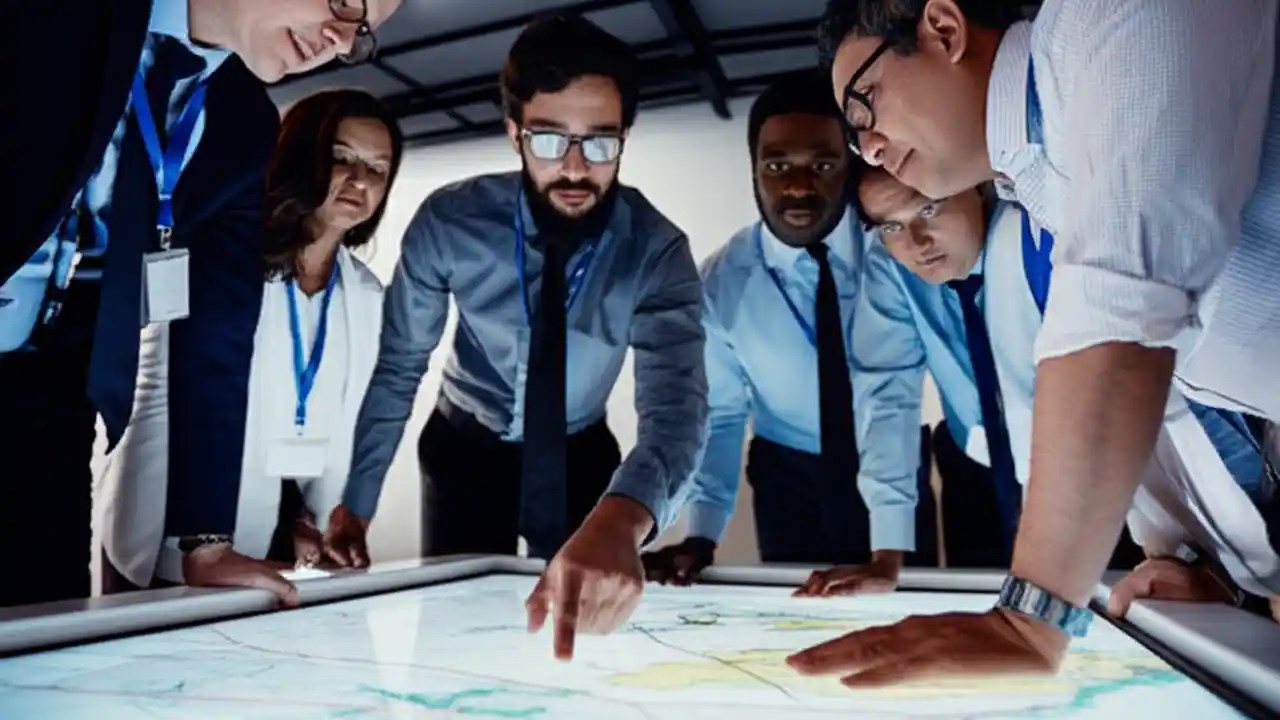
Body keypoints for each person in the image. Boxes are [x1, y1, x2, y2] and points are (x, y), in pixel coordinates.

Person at [789, 0, 1280, 682]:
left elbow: (1125, 305)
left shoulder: (1115, 15)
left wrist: (1033, 615)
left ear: (943, 28)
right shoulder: (1041, 188)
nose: (867, 147)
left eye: (864, 106)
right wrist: (1201, 567)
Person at [0, 0, 402, 607]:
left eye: (363, 31)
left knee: (36, 642)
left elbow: (216, 330)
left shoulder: (242, 123)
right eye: (345, 2)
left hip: (55, 400)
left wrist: (206, 541)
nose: (343, 43)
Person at [333, 14, 707, 660]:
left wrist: (624, 519)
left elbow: (676, 412)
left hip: (584, 459)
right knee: (454, 642)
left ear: (625, 138)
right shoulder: (448, 222)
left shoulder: (658, 251)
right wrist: (357, 505)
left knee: (583, 646)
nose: (574, 168)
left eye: (599, 144)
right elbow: (400, 366)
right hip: (463, 450)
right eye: (548, 139)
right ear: (513, 133)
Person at [797, 168, 1273, 604]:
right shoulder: (892, 265)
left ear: (974, 183)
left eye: (928, 208)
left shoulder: (1042, 234)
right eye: (891, 226)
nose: (917, 241)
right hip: (981, 461)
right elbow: (888, 398)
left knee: (1131, 600)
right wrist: (888, 552)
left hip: (1099, 467)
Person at [98, 89, 404, 592]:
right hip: (165, 511)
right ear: (302, 159)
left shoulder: (367, 293)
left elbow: (335, 417)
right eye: (341, 158)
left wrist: (311, 517)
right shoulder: (229, 256)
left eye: (377, 168)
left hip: (267, 533)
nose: (359, 180)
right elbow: (179, 386)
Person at [641, 72, 936, 587]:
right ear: (753, 170)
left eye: (822, 164)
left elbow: (901, 390)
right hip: (787, 479)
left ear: (850, 164)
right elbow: (724, 416)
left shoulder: (900, 249)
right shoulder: (720, 283)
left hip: (896, 457)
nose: (798, 186)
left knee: (911, 623)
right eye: (777, 165)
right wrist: (701, 535)